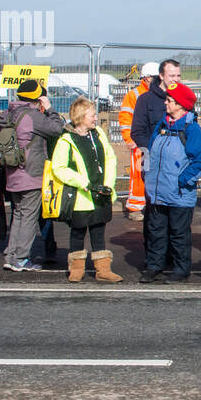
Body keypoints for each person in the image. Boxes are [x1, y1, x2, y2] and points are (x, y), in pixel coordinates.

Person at [140, 82, 201, 285]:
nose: (166, 103)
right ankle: (154, 266)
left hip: (179, 193)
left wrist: (182, 180)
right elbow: (149, 151)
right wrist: (147, 173)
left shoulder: (192, 129)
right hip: (157, 191)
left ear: (181, 105)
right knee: (156, 232)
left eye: (170, 100)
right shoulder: (162, 126)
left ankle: (181, 269)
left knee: (179, 234)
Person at [52, 97, 123, 284]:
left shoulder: (98, 133)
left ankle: (103, 270)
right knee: (77, 232)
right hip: (80, 196)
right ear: (81, 116)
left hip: (101, 194)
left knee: (98, 231)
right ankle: (76, 269)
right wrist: (82, 182)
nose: (95, 118)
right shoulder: (66, 139)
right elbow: (59, 168)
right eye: (92, 114)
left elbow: (110, 158)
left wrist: (108, 184)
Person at [2, 79, 65, 272]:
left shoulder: (8, 114)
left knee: (18, 215)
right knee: (29, 217)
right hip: (31, 174)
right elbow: (57, 128)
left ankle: (11, 255)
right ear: (38, 98)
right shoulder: (32, 116)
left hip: (12, 173)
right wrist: (49, 109)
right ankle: (21, 258)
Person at [131, 59, 181, 271]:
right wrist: (152, 151)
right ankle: (153, 256)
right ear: (161, 76)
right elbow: (137, 132)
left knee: (176, 212)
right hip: (153, 164)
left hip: (176, 164)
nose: (176, 80)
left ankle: (173, 255)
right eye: (172, 76)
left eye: (178, 76)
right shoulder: (146, 100)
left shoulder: (182, 98)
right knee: (154, 213)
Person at [118, 61, 159, 221]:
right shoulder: (134, 95)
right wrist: (130, 139)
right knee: (138, 176)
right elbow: (125, 118)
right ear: (147, 78)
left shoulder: (158, 94)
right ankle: (135, 207)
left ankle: (151, 204)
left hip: (154, 141)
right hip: (139, 142)